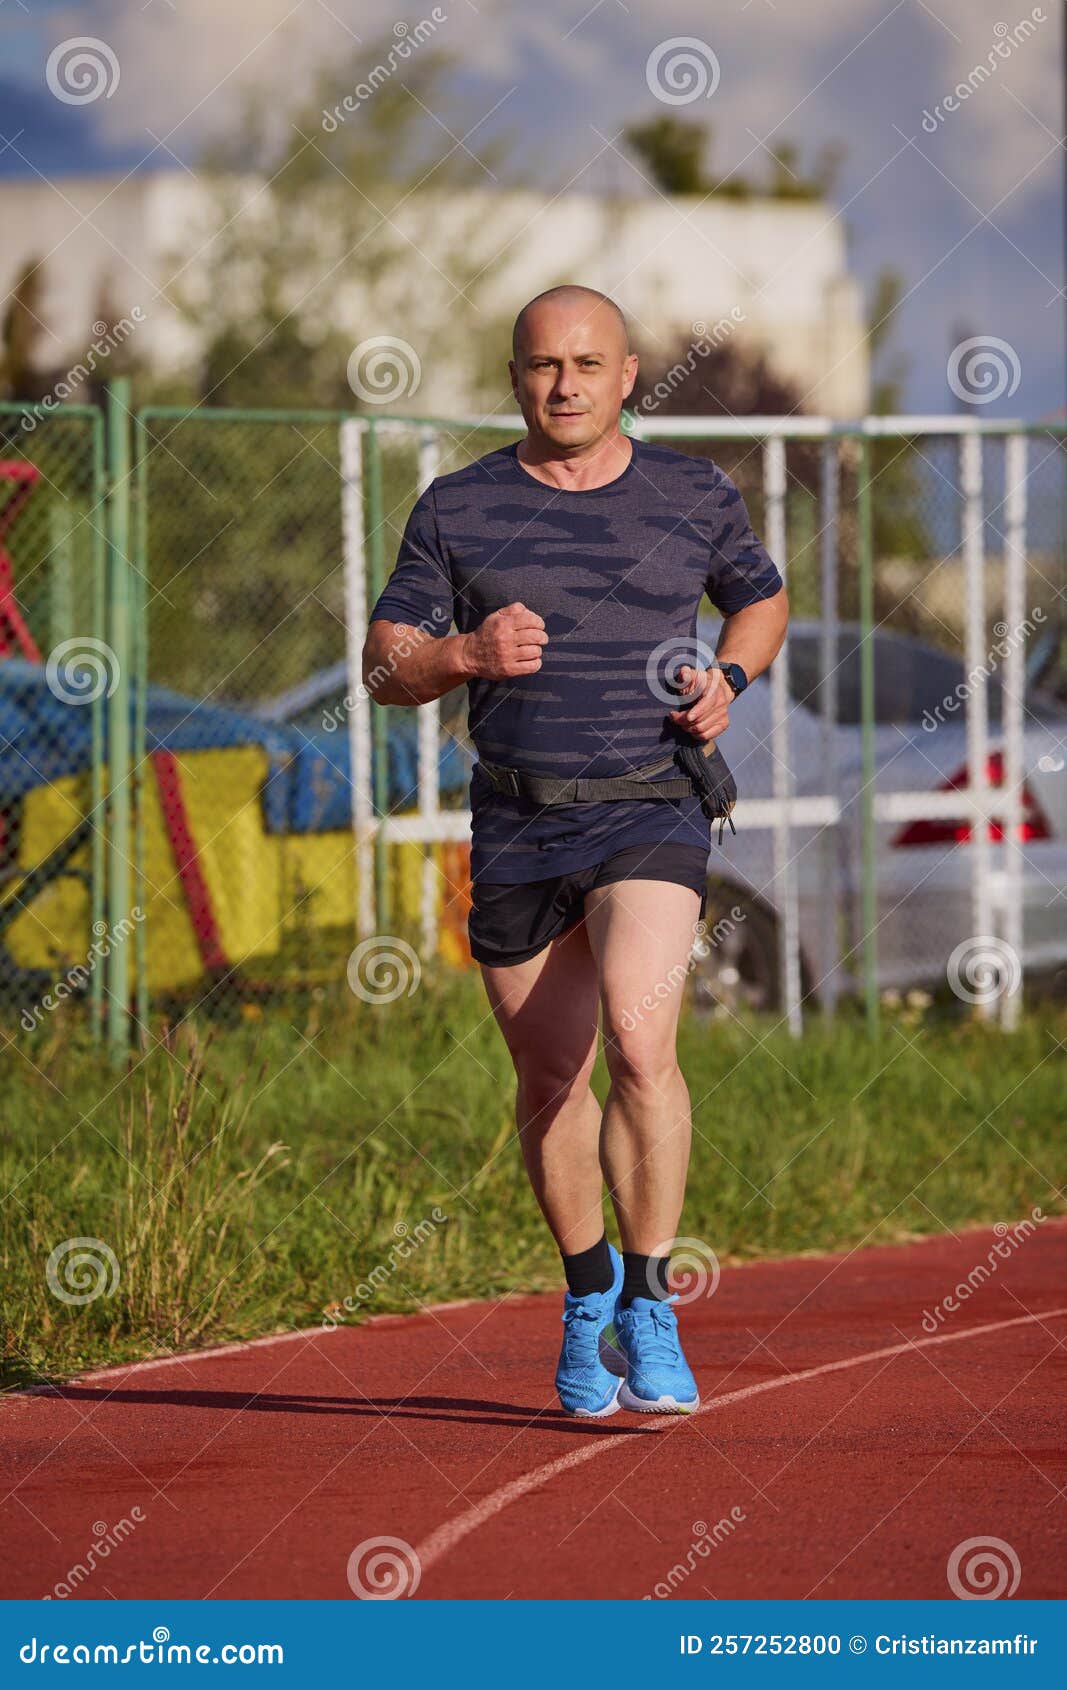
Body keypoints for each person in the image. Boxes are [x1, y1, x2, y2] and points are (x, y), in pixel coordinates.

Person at [363, 285, 788, 1416]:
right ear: (515, 376)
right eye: (544, 365)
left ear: (626, 374)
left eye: (587, 365)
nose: (565, 386)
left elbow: (760, 601)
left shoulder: (691, 492)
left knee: (640, 1042)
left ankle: (650, 1304)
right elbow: (383, 664)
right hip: (517, 819)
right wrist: (462, 653)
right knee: (550, 1076)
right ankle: (587, 1290)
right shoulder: (458, 506)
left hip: (650, 803)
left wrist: (727, 679)